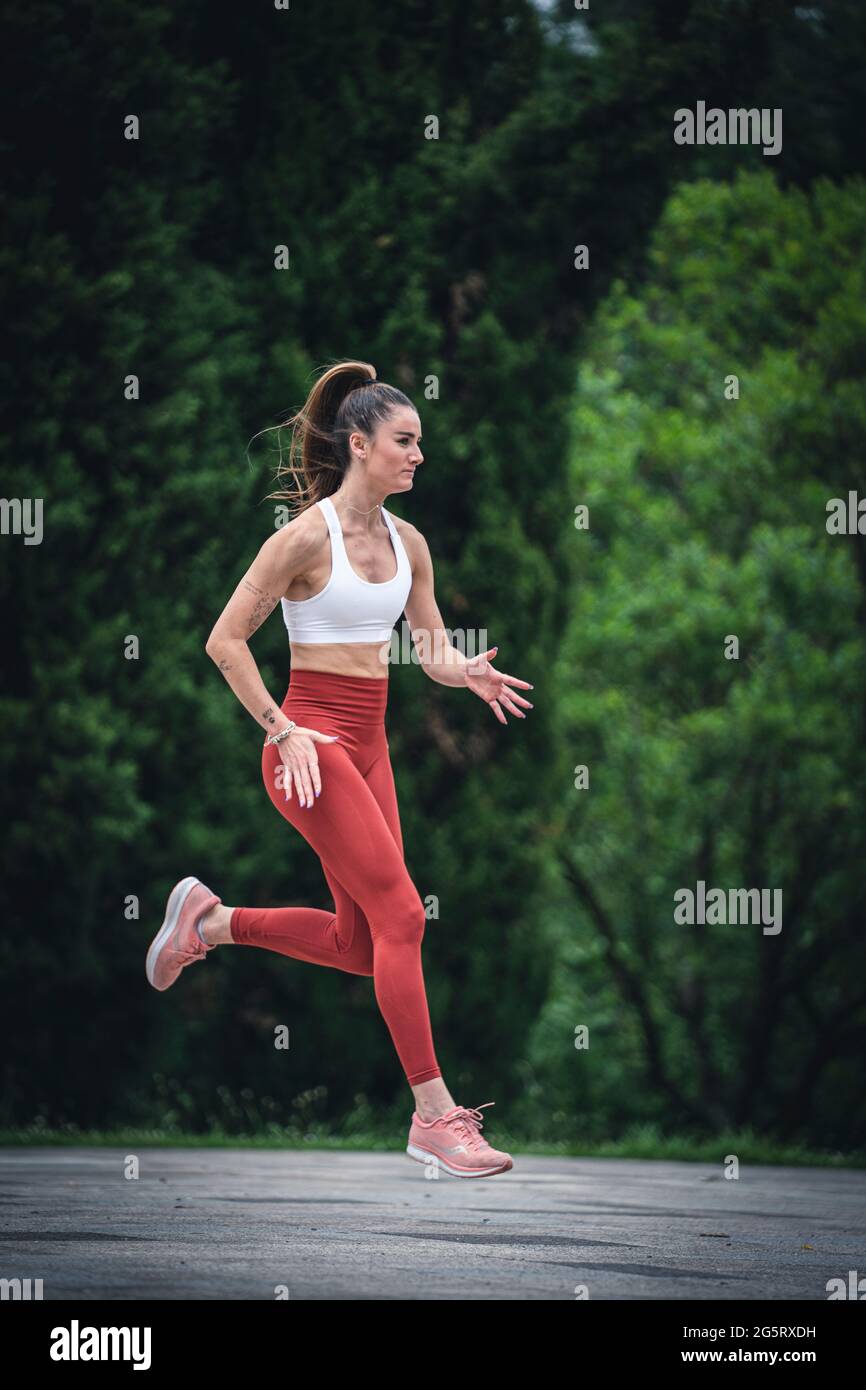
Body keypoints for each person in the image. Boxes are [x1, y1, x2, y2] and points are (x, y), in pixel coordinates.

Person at [145, 360, 534, 1177]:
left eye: (419, 442)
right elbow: (224, 643)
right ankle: (434, 1116)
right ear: (359, 445)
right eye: (404, 441)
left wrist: (465, 670)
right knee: (404, 917)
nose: (419, 455)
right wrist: (283, 731)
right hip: (307, 750)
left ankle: (210, 924)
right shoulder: (301, 539)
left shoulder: (409, 543)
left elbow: (425, 648)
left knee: (364, 944)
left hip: (368, 748)